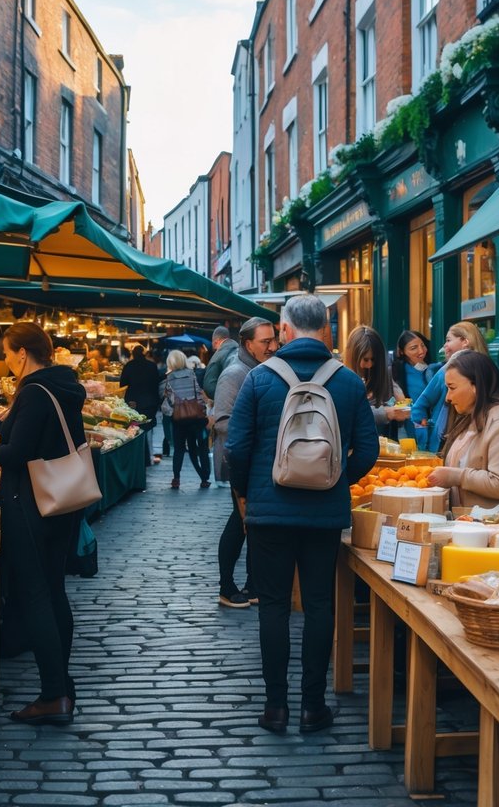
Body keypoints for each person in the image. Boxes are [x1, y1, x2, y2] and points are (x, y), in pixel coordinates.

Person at [226, 294, 379, 735]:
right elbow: (367, 449)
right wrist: (335, 480)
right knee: (319, 604)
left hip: (268, 514)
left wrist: (248, 490)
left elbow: (236, 448)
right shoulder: (348, 382)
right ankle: (314, 706)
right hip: (324, 516)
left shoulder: (259, 378)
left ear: (285, 329)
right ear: (327, 329)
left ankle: (276, 707)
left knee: (272, 607)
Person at [0, 322, 87, 724]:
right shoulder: (59, 384)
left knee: (35, 596)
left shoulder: (33, 391)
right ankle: (64, 685)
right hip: (61, 503)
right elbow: (33, 432)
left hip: (31, 504)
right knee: (55, 592)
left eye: (6, 352)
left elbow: (18, 452)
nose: (3, 360)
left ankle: (53, 695)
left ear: (22, 353)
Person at [212, 316, 277, 608]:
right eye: (266, 342)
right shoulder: (235, 373)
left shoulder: (261, 369)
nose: (273, 346)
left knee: (251, 523)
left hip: (255, 461)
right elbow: (221, 421)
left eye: (274, 339)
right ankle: (226, 586)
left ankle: (253, 586)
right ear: (248, 343)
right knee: (239, 524)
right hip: (239, 461)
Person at [427, 350, 499, 509]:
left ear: (476, 386)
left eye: (452, 388)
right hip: (473, 525)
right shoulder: (469, 418)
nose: (448, 397)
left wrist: (455, 476)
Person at [410, 321, 487, 451]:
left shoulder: (485, 369)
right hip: (444, 444)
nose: (444, 345)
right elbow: (419, 406)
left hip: (475, 440)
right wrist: (426, 433)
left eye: (448, 340)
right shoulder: (445, 371)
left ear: (465, 341)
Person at [344, 326, 410, 435]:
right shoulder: (343, 378)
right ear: (354, 355)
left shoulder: (383, 373)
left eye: (373, 360)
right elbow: (350, 414)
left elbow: (390, 401)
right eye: (366, 359)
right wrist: (386, 413)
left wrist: (397, 405)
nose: (370, 364)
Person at [160, 350, 210, 489]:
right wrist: (204, 412)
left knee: (179, 450)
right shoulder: (191, 374)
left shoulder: (170, 378)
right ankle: (204, 478)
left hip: (179, 420)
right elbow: (199, 396)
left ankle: (176, 479)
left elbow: (169, 402)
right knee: (198, 449)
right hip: (196, 419)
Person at [391, 330, 437, 442]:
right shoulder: (396, 373)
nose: (421, 351)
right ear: (402, 352)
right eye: (413, 348)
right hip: (408, 434)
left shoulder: (434, 369)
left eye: (422, 345)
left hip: (434, 431)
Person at [120, 346, 162, 461]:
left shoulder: (129, 366)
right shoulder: (152, 366)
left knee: (134, 428)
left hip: (133, 402)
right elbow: (156, 383)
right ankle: (149, 456)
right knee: (148, 429)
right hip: (150, 402)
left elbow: (122, 384)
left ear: (133, 354)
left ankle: (136, 456)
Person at [202, 325, 238, 400]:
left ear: (216, 342)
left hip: (228, 402)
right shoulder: (240, 350)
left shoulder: (217, 357)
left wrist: (223, 398)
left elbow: (209, 388)